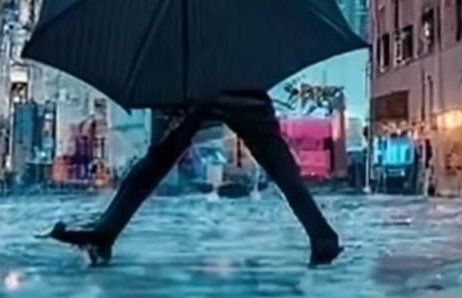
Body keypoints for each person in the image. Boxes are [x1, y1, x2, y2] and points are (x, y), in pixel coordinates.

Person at [48, 90, 342, 267]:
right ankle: (321, 235)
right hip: (240, 76)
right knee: (276, 160)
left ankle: (105, 234)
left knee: (158, 157)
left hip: (202, 77)